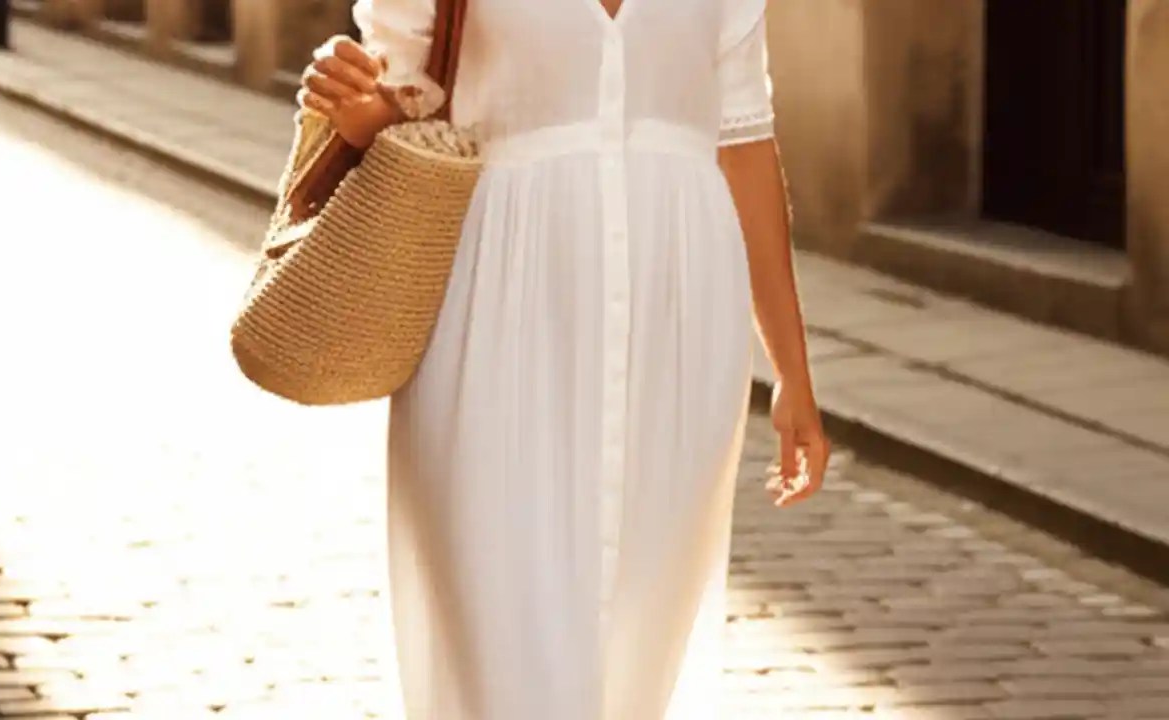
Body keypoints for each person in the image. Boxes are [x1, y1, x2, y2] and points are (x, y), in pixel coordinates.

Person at [298, 0, 829, 717]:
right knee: (501, 629)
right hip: (491, 308)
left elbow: (745, 144)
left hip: (679, 327)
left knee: (640, 642)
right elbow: (398, 105)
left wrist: (793, 373)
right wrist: (353, 106)